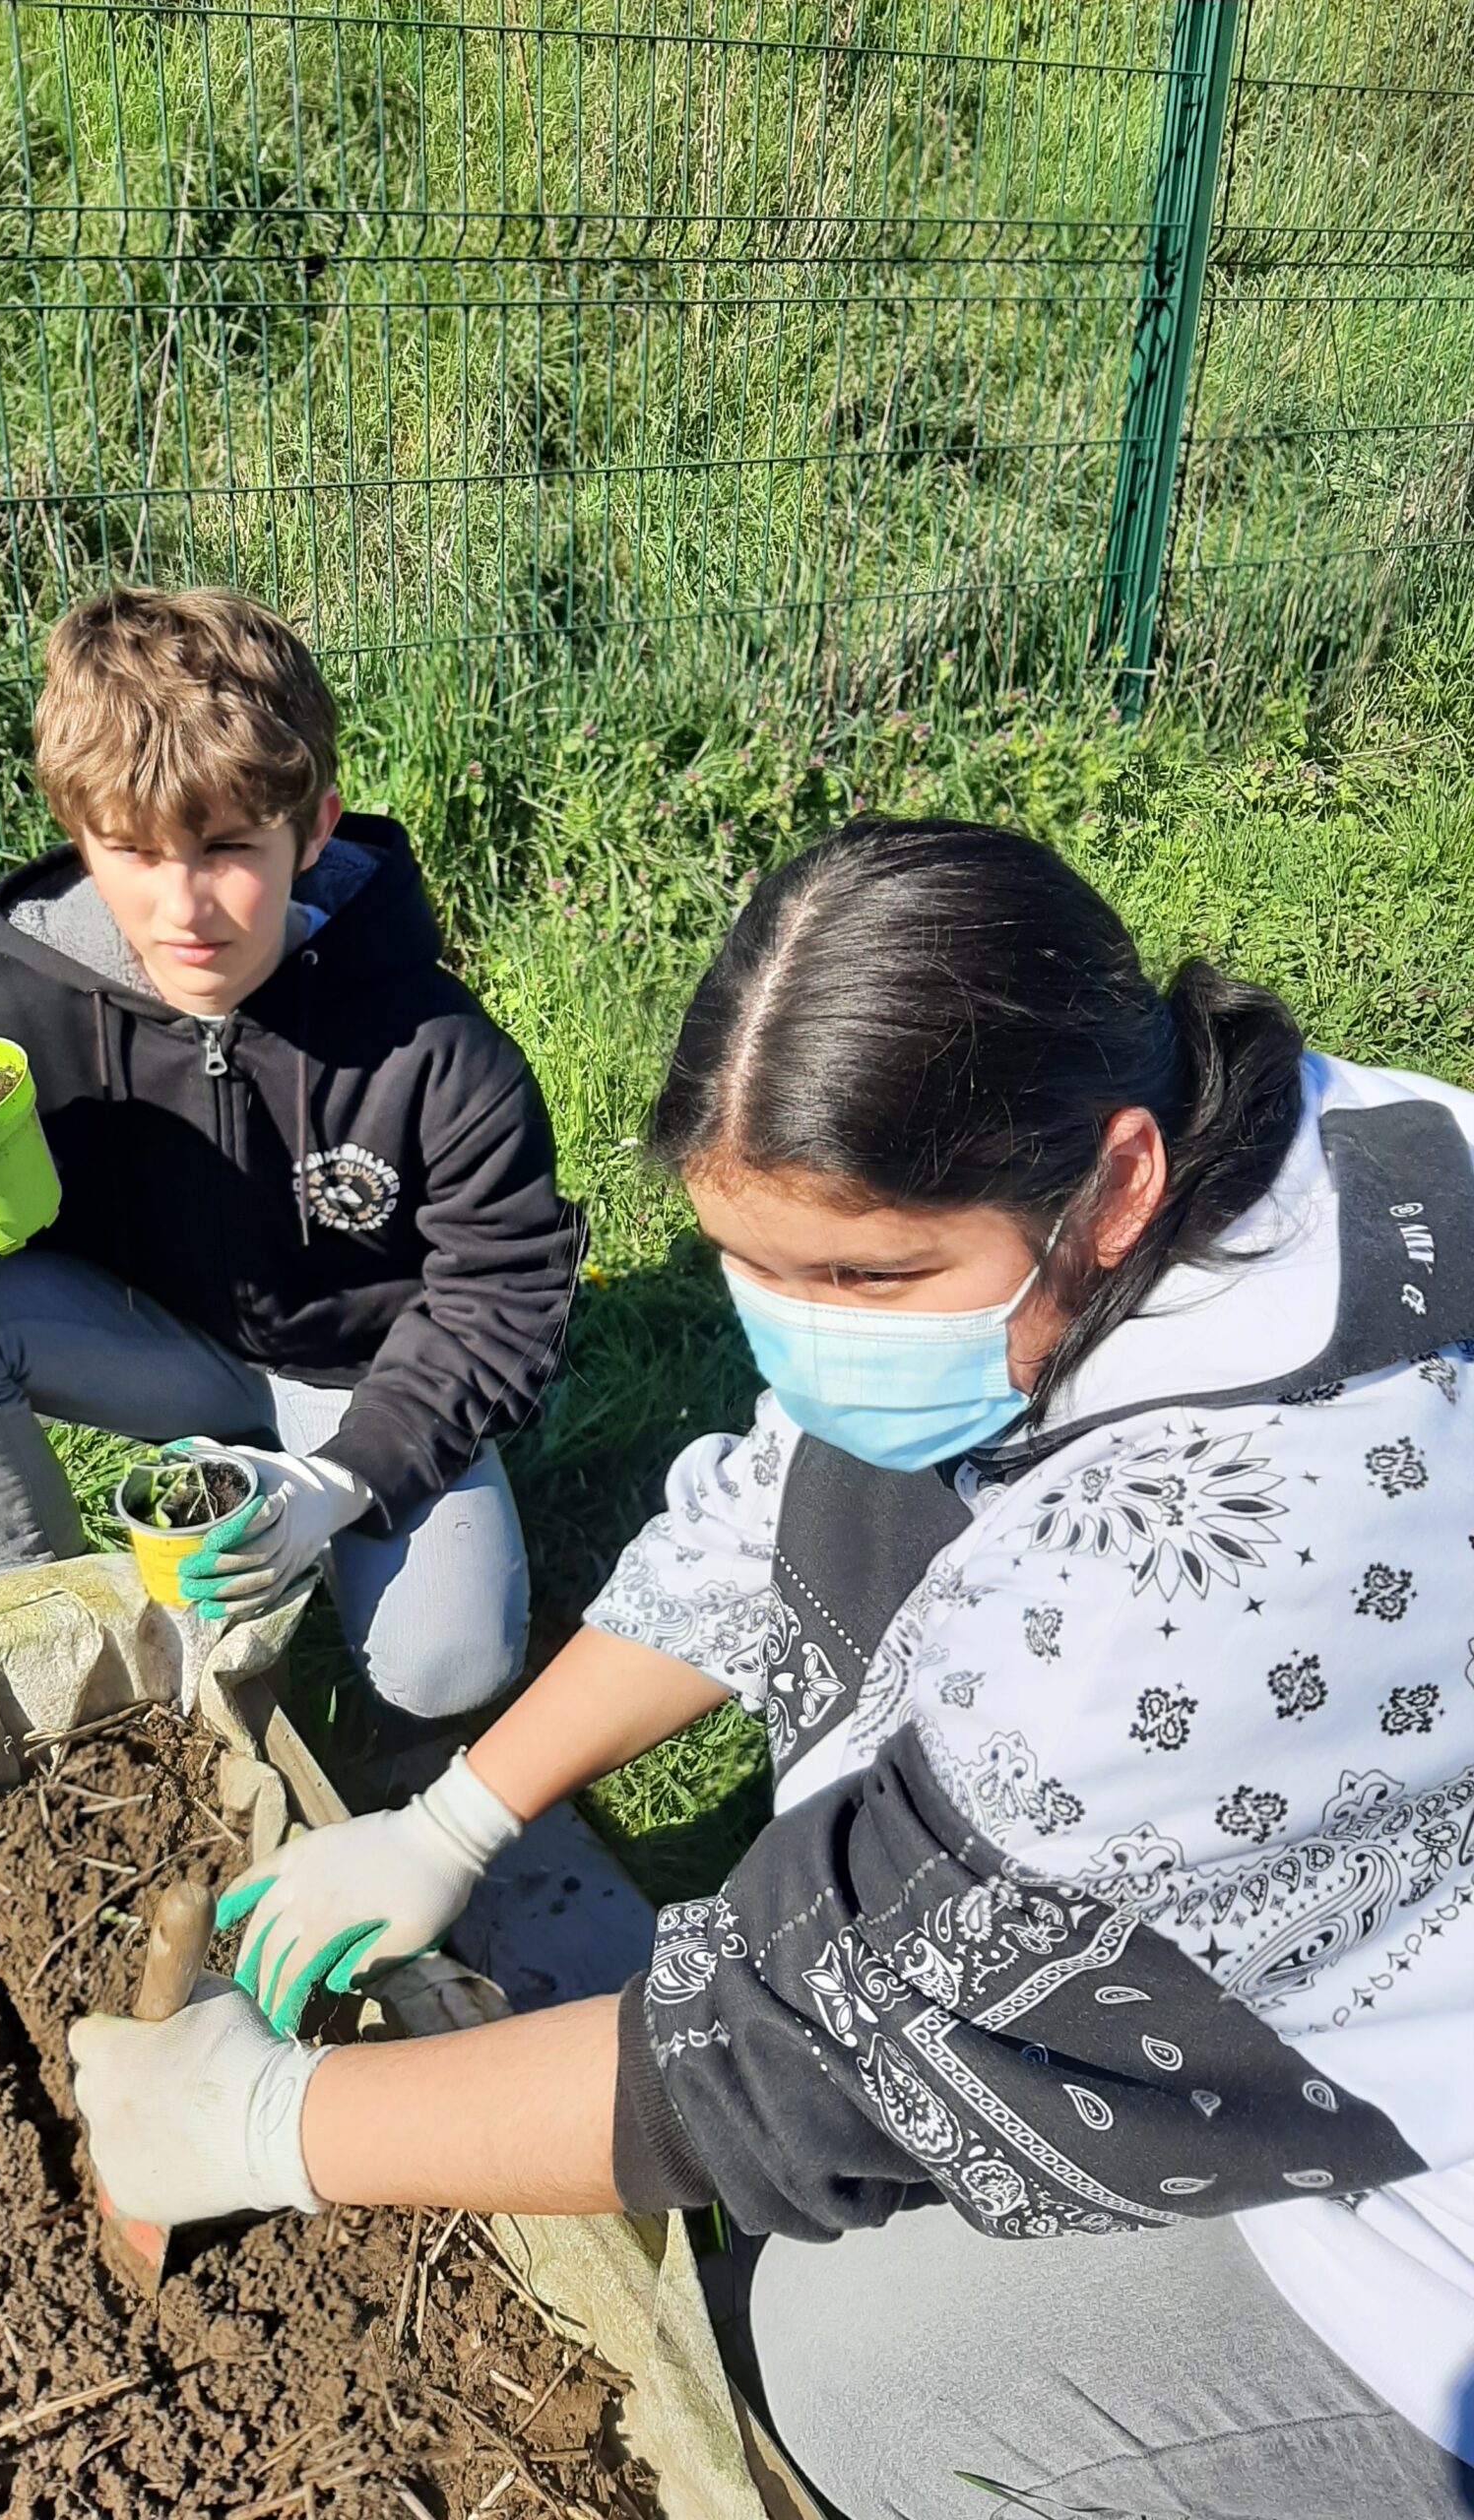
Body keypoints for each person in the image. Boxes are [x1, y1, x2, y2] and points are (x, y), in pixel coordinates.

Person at [71, 817, 1474, 2518]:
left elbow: (781, 2071)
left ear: (1114, 1186)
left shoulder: (1195, 1581)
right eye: (754, 1265)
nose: (810, 1327)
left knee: (858, 2369)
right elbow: (779, 1500)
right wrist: (452, 1820)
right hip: (1306, 1849)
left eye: (869, 1277)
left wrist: (261, 2129)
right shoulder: (1296, 1133)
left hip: (1416, 2179)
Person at [0, 588, 581, 1750]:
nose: (183, 908)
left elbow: (506, 1288)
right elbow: (4, 1244)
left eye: (230, 848)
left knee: (446, 1668)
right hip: (156, 1343)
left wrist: (344, 1479)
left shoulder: (433, 1043)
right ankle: (46, 1636)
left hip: (360, 1371)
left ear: (316, 828)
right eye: (132, 852)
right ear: (78, 833)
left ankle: (330, 1501)